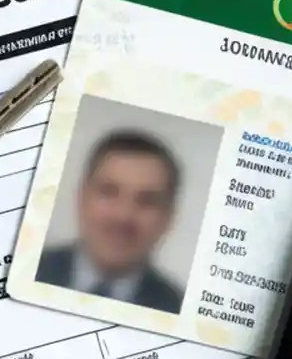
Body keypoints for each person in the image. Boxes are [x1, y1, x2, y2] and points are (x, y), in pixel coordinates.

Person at [37, 130, 184, 313]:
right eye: (109, 192)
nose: (123, 215)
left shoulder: (178, 308)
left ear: (168, 217)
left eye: (147, 201)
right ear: (82, 198)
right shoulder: (30, 267)